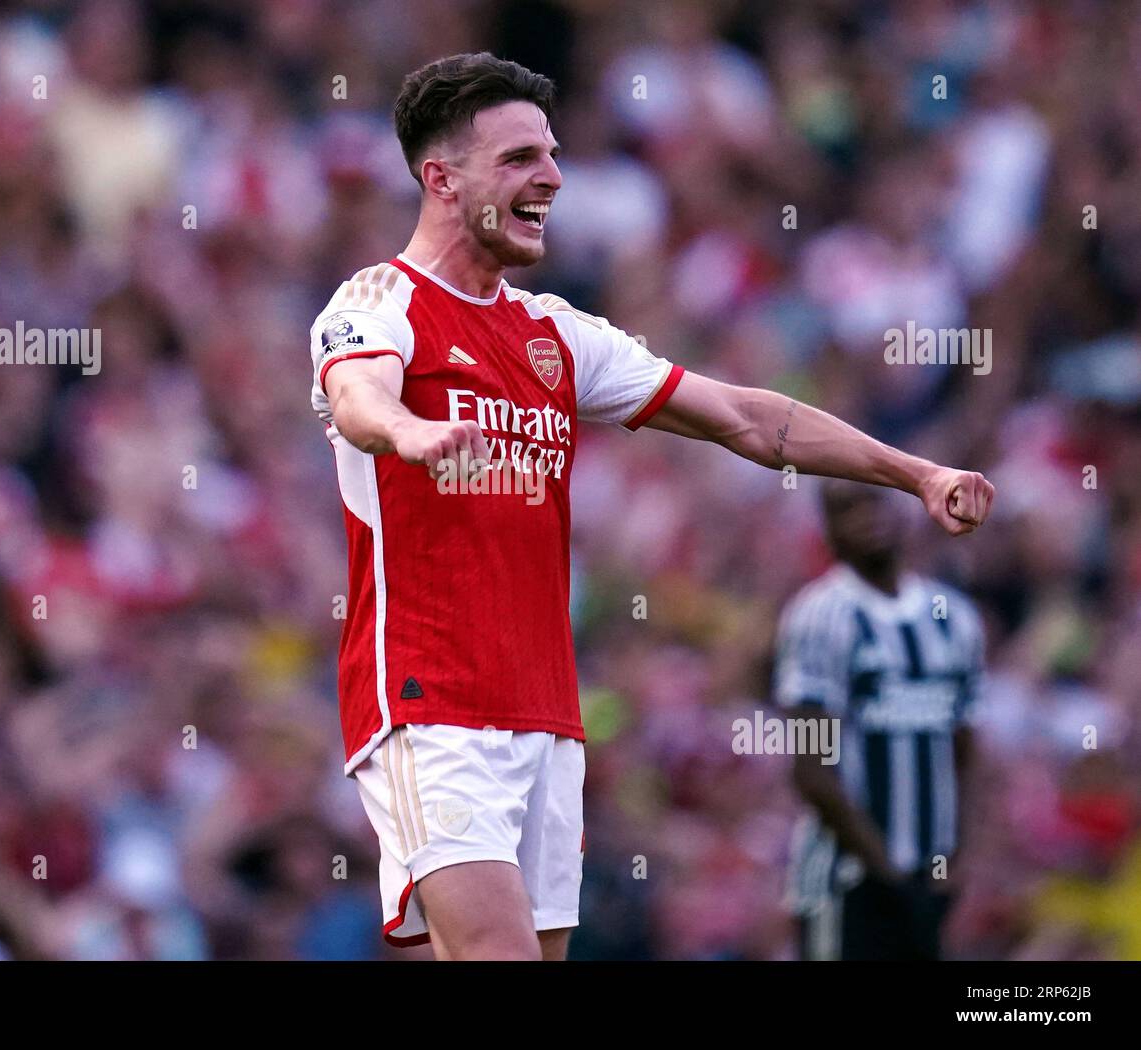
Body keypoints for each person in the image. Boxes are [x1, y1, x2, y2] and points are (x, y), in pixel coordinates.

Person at [308, 52, 995, 961]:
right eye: (518, 159)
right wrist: (407, 432)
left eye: (551, 156)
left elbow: (747, 419)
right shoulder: (378, 303)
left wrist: (915, 475)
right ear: (441, 178)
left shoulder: (555, 332)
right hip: (429, 702)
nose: (551, 177)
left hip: (547, 712)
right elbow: (357, 396)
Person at [775, 479, 985, 960]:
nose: (868, 517)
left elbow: (966, 747)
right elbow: (812, 771)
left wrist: (956, 856)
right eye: (848, 509)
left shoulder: (954, 618)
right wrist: (887, 870)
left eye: (876, 502)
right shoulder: (819, 616)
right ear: (829, 529)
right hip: (845, 881)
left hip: (927, 883)